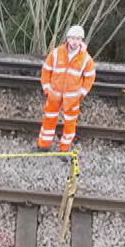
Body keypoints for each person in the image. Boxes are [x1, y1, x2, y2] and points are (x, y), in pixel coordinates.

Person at [36, 24, 96, 152]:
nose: (75, 42)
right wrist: (47, 89)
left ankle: (64, 149)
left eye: (79, 39)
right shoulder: (56, 53)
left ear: (82, 40)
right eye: (73, 38)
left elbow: (90, 77)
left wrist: (82, 93)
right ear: (68, 39)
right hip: (54, 95)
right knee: (49, 120)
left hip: (72, 98)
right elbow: (46, 71)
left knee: (70, 124)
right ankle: (43, 145)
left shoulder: (86, 59)